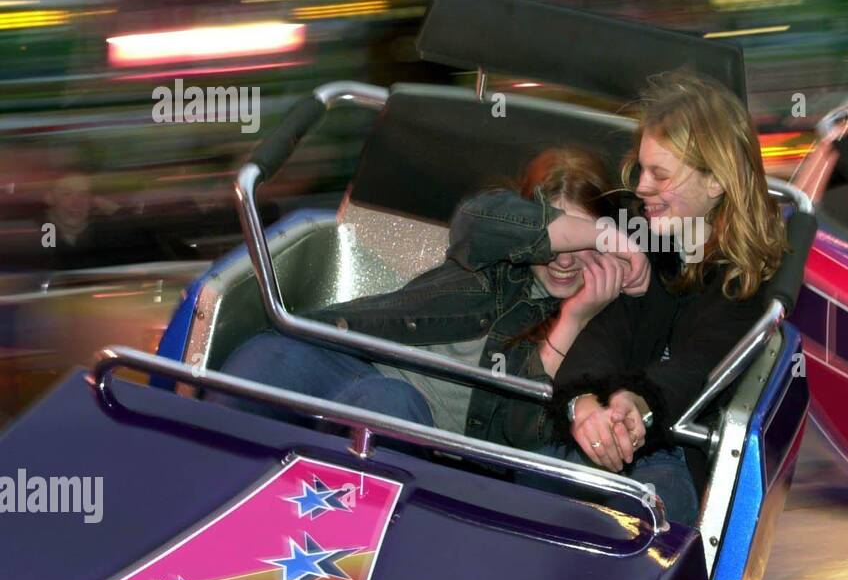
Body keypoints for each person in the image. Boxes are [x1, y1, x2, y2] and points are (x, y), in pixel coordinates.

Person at [217, 147, 650, 450]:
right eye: (562, 235)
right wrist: (599, 234)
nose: (566, 260)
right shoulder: (497, 256)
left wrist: (572, 320)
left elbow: (522, 428)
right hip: (354, 357)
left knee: (386, 405)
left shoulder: (599, 316)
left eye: (588, 244)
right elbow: (478, 218)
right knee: (266, 356)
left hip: (413, 418)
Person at [542, 71, 788, 525]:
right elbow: (606, 329)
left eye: (660, 174)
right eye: (640, 170)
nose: (641, 187)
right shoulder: (645, 242)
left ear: (716, 181)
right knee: (537, 481)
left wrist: (635, 405)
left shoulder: (744, 281)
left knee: (637, 508)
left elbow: (697, 366)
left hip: (675, 446)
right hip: (605, 424)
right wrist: (585, 405)